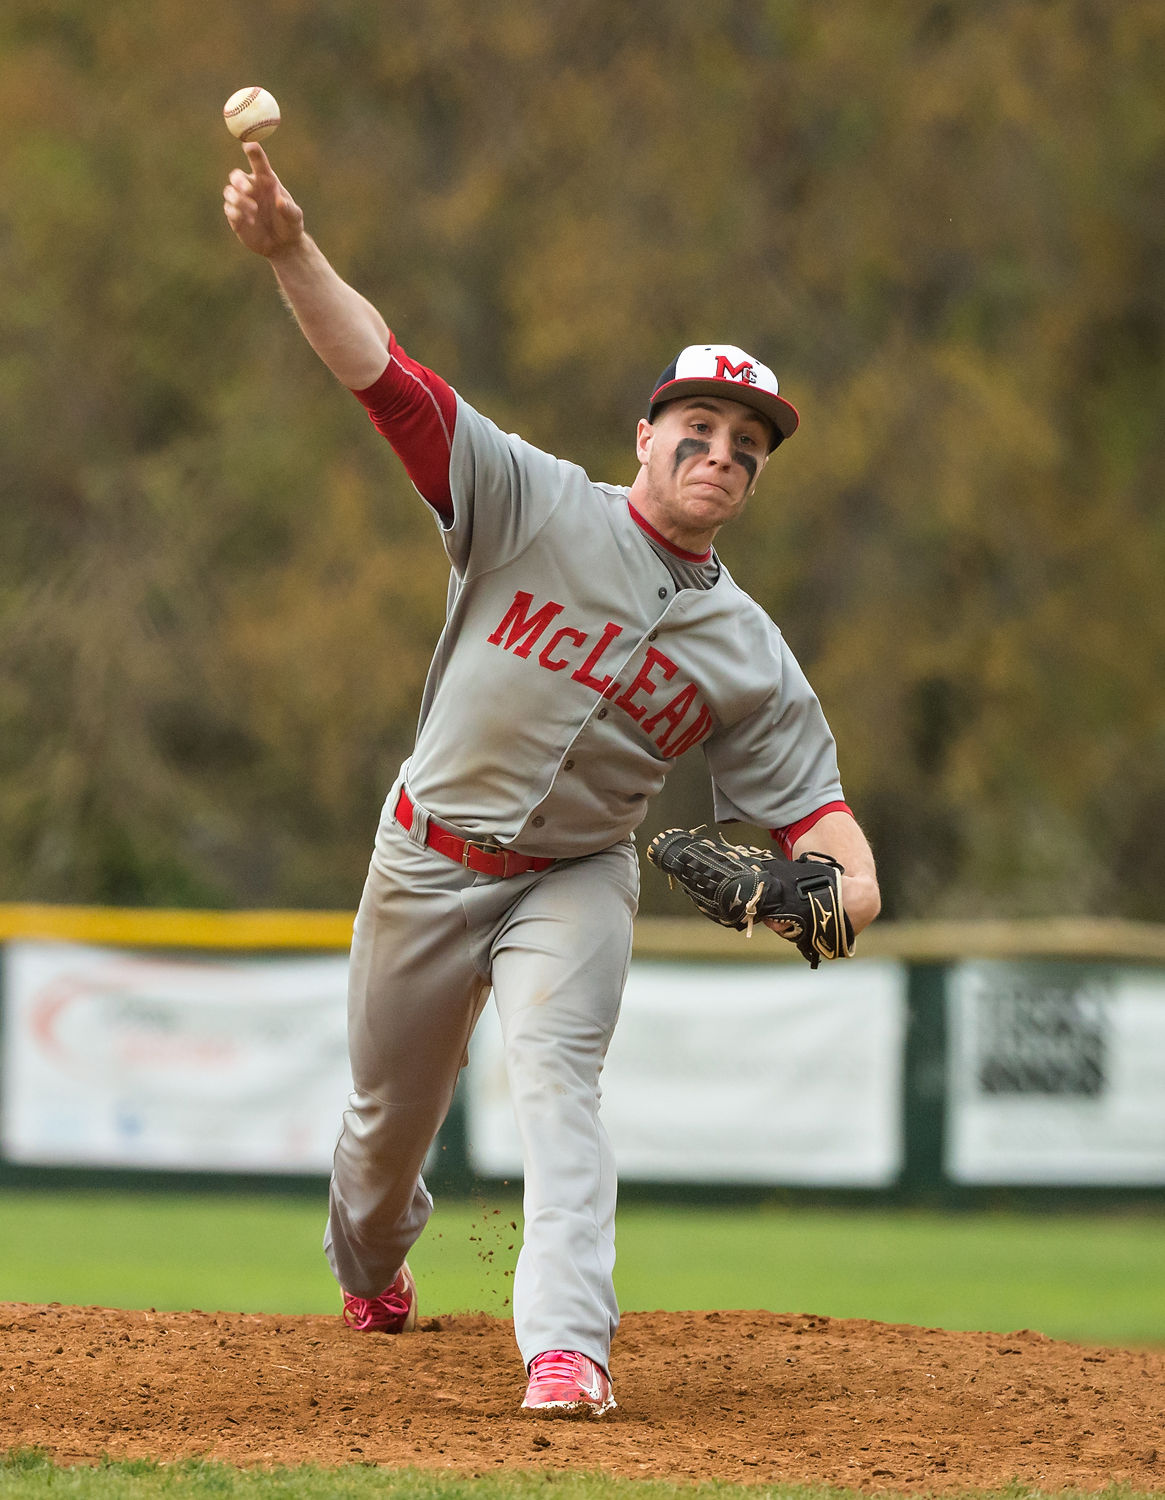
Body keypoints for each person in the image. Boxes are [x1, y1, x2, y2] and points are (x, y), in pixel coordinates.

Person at [223, 141, 881, 1417]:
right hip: (426, 854)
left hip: (572, 879)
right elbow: (387, 379)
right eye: (700, 427)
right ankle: (372, 1267)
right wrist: (291, 250)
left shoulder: (748, 652)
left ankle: (567, 1349)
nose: (723, 452)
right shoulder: (533, 502)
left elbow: (840, 851)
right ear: (645, 436)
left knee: (559, 1087)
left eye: (749, 445)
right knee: (382, 1131)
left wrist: (817, 900)